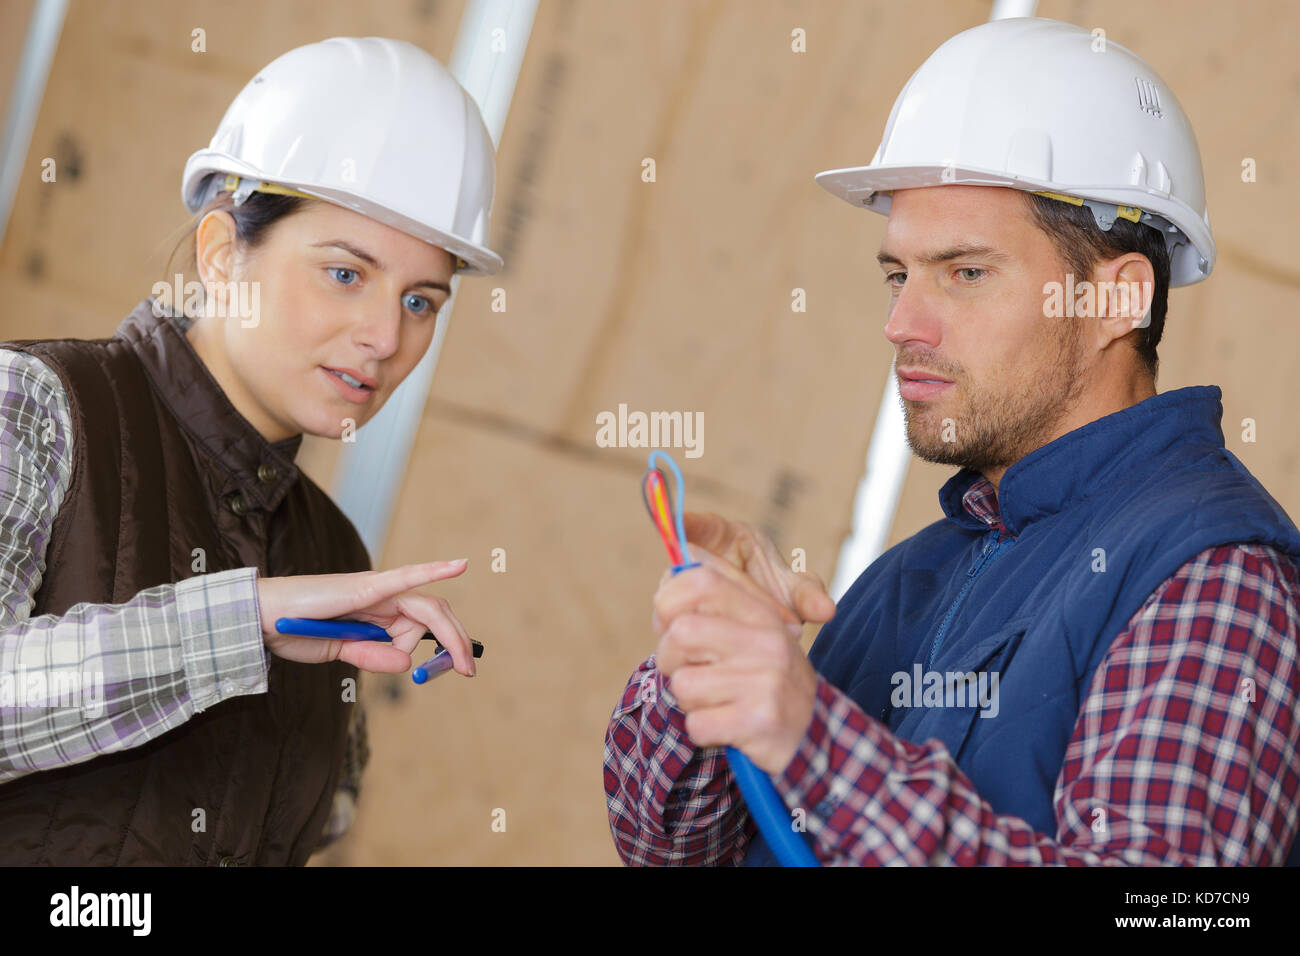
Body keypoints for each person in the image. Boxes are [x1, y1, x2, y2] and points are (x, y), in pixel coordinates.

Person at [603, 17, 1300, 865]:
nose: (901, 323)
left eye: (966, 273)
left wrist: (816, 745)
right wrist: (710, 671)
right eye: (899, 275)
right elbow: (673, 853)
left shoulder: (1212, 576)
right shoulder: (914, 575)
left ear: (1118, 299)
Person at [0, 36, 500, 865]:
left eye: (421, 300)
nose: (385, 336)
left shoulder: (334, 553)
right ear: (223, 254)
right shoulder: (41, 406)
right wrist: (245, 621)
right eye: (345, 274)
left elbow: (322, 820)